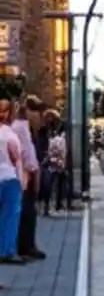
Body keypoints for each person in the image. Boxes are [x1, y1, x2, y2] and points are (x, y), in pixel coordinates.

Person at [12, 97, 43, 260]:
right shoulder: (22, 129)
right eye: (36, 112)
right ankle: (25, 246)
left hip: (21, 176)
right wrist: (34, 171)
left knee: (27, 211)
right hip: (24, 177)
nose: (39, 117)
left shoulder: (22, 127)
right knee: (26, 212)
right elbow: (27, 156)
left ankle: (26, 245)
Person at [0, 99, 24, 264]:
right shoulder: (10, 135)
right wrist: (22, 180)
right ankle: (7, 250)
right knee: (10, 215)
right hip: (9, 178)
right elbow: (16, 159)